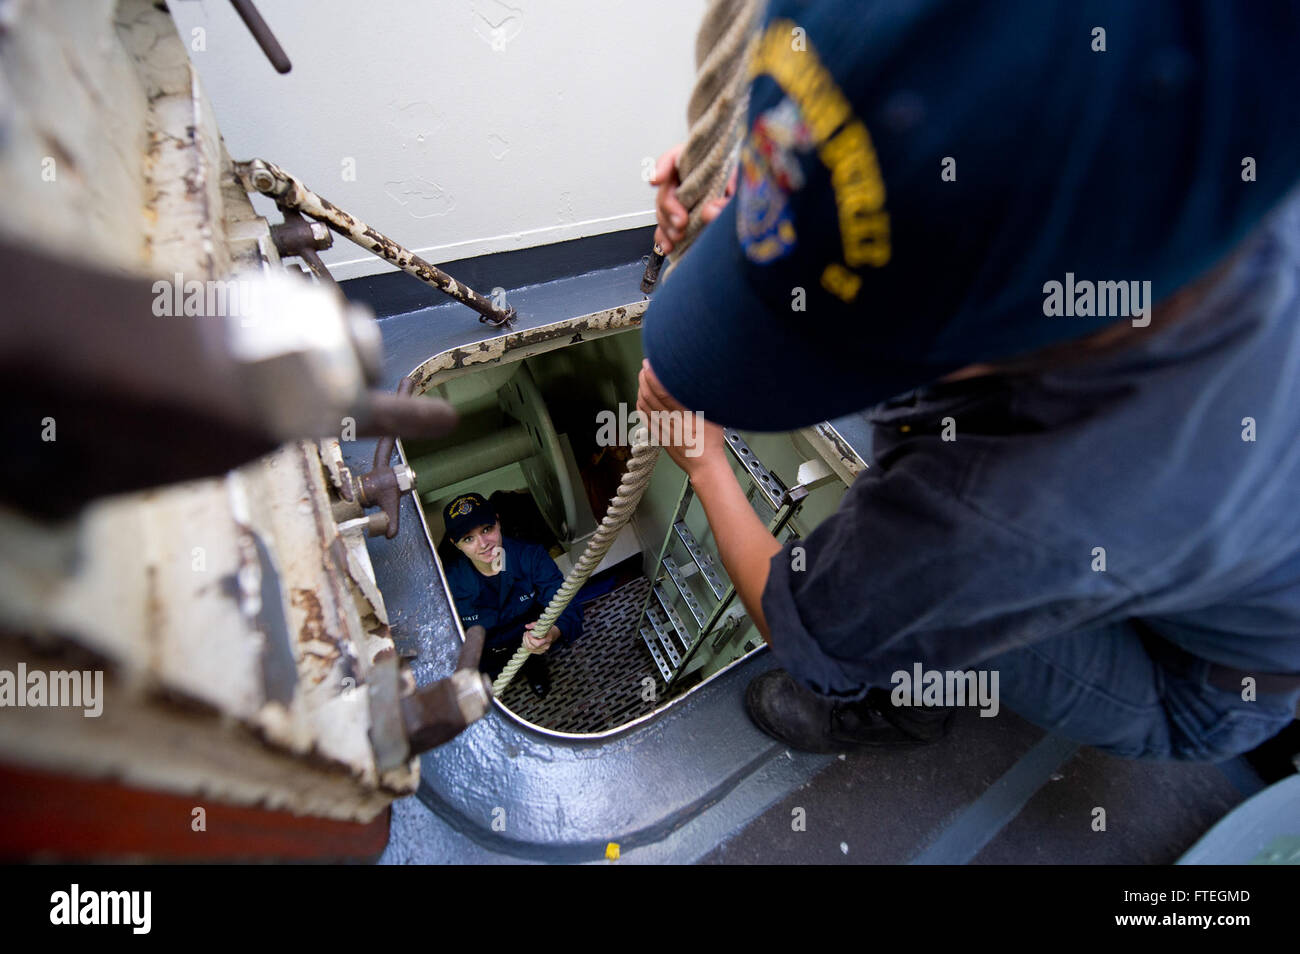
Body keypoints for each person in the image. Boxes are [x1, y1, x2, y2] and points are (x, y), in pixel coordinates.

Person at [636, 0, 1300, 760]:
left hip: (1208, 681)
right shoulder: (1225, 161)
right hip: (1221, 558)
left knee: (927, 610)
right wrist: (779, 206)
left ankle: (898, 710)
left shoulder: (1001, 511)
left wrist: (705, 463)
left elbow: (807, 627)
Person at [440, 493, 583, 698]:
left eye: (487, 529)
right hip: (485, 657)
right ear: (456, 544)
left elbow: (569, 606)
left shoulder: (530, 557)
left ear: (498, 522)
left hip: (527, 646)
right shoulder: (447, 585)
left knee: (534, 665)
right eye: (468, 539)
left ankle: (534, 670)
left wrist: (551, 633)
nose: (483, 544)